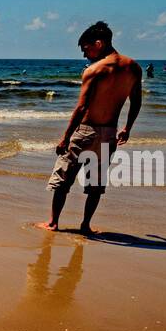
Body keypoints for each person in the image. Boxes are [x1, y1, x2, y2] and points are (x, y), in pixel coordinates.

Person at [40, 20, 142, 235]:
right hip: (109, 133)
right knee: (96, 183)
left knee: (63, 178)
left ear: (98, 43)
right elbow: (136, 101)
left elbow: (82, 107)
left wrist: (65, 137)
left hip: (85, 131)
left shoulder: (95, 70)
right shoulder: (133, 67)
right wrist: (127, 128)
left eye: (86, 49)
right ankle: (85, 225)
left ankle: (53, 223)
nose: (85, 55)